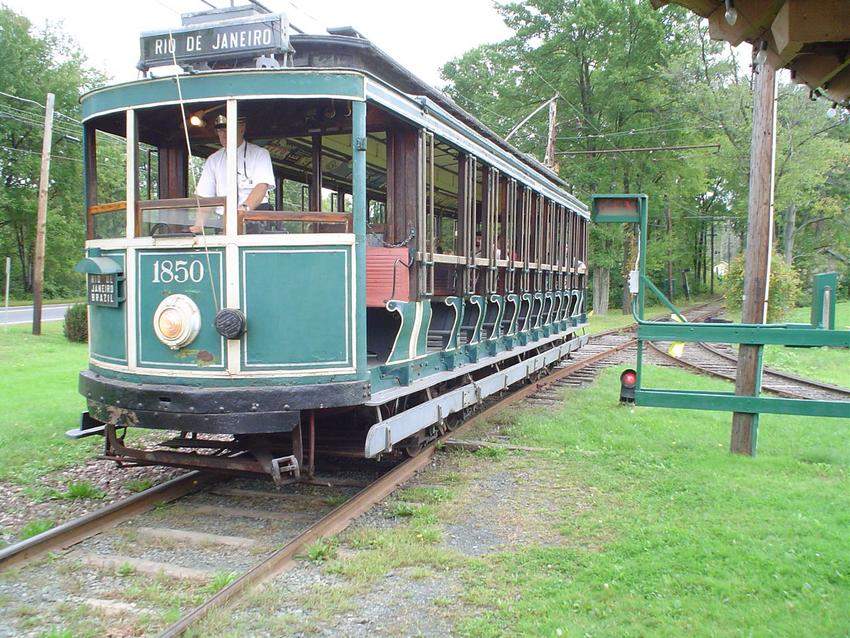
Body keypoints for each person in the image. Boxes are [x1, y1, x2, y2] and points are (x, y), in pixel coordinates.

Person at [190, 114, 275, 233]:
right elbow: (205, 198)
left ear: (241, 129)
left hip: (254, 218)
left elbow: (261, 187)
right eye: (220, 130)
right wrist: (199, 225)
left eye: (228, 130)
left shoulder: (260, 154)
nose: (223, 135)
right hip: (223, 221)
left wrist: (243, 209)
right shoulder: (213, 159)